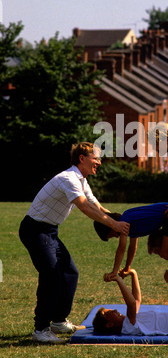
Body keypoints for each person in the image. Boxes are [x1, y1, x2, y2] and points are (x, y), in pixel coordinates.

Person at [19, 142, 130, 344]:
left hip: (49, 231)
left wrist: (118, 221)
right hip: (35, 230)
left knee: (70, 272)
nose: (99, 163)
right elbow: (84, 207)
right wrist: (114, 224)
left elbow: (96, 205)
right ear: (82, 158)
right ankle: (41, 329)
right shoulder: (68, 178)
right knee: (51, 275)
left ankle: (59, 321)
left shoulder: (81, 180)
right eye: (96, 159)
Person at [94, 202, 168, 280]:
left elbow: (121, 248)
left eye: (112, 234)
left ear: (111, 225)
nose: (116, 237)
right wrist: (127, 267)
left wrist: (114, 272)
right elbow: (132, 247)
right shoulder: (129, 222)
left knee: (164, 252)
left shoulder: (124, 222)